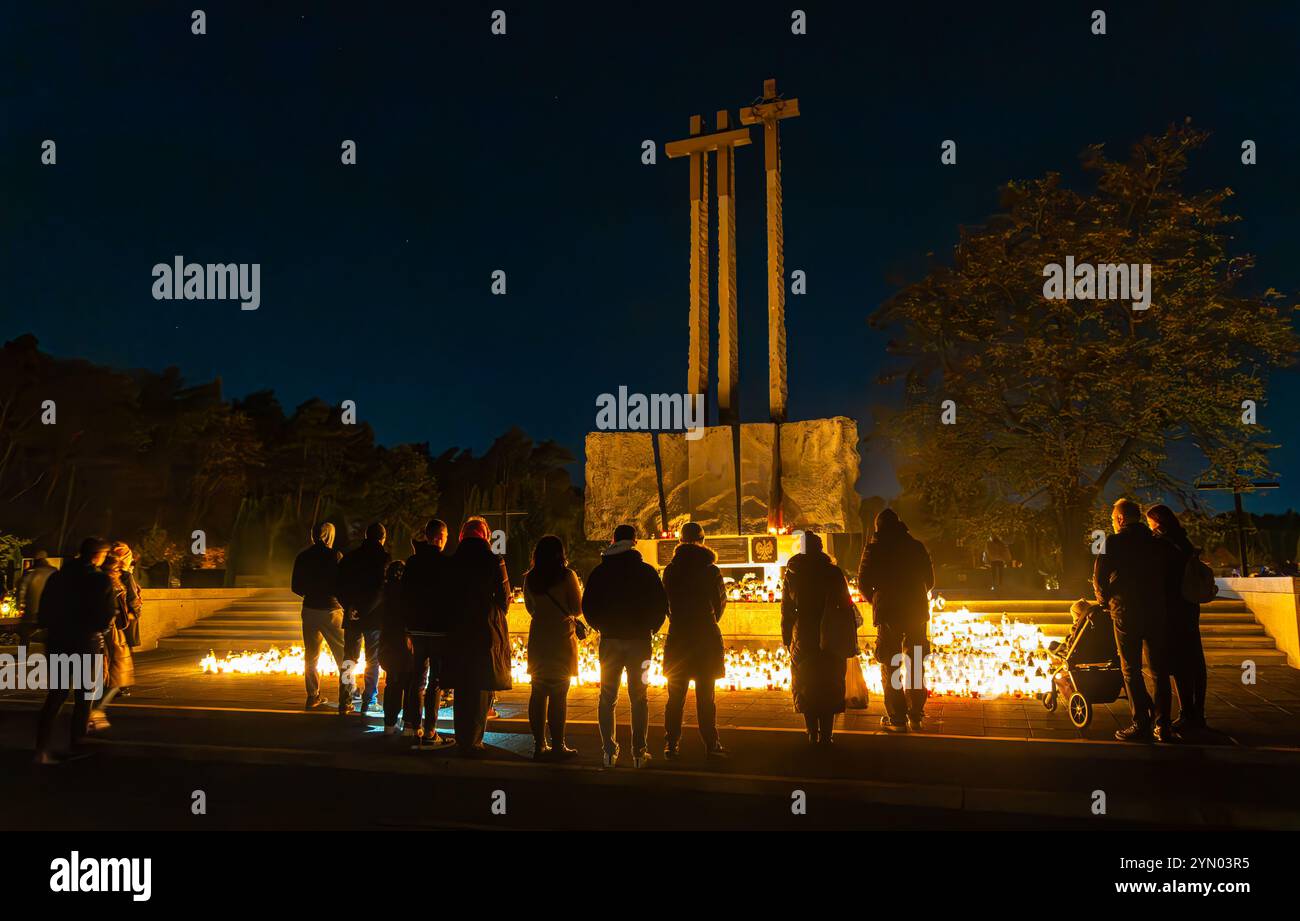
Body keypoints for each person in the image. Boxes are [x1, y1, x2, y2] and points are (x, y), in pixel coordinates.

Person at [582, 524, 668, 768]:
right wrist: (651, 627)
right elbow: (660, 603)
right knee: (639, 698)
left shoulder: (600, 572)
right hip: (640, 642)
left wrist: (600, 627)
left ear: (613, 540)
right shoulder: (646, 571)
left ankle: (608, 752)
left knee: (607, 697)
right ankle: (639, 753)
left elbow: (588, 605)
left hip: (610, 642)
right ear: (634, 542)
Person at [1094, 498, 1172, 742]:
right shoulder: (1156, 542)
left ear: (1119, 519)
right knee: (1159, 670)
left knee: (1131, 669)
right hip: (1156, 611)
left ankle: (1140, 722)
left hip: (1126, 611)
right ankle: (1163, 725)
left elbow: (1099, 577)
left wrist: (1104, 602)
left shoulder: (1114, 541)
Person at [33, 537, 117, 764]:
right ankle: (77, 742)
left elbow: (45, 608)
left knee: (57, 694)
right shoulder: (100, 580)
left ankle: (41, 748)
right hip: (85, 642)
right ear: (97, 555)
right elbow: (107, 612)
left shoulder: (58, 577)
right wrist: (101, 630)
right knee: (84, 695)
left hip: (58, 641)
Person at [858, 508, 934, 732]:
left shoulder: (874, 549)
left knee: (891, 662)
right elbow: (929, 580)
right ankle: (916, 714)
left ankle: (898, 717)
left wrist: (877, 599)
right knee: (916, 661)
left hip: (889, 612)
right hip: (916, 611)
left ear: (878, 528)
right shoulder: (916, 546)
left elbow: (863, 583)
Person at [661, 521, 727, 760]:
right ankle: (711, 743)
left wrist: (678, 619)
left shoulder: (671, 570)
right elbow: (720, 603)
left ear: (680, 540)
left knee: (675, 697)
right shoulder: (710, 570)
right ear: (702, 540)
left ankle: (671, 743)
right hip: (704, 637)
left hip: (679, 637)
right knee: (705, 697)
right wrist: (708, 621)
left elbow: (665, 604)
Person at [448, 516, 512, 756]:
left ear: (463, 535)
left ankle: (461, 737)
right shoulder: (494, 560)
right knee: (482, 683)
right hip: (485, 627)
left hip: (458, 627)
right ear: (485, 535)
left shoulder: (453, 561)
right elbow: (504, 597)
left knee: (462, 684)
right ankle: (475, 740)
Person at [782, 533, 853, 746]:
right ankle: (827, 734)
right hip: (830, 634)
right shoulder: (833, 573)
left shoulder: (793, 574)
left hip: (803, 633)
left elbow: (786, 609)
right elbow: (846, 605)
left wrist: (787, 637)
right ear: (821, 548)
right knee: (829, 681)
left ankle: (811, 732)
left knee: (806, 681)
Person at [1147, 504, 1208, 733]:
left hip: (1172, 609)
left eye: (1151, 523)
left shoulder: (1162, 545)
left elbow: (1161, 578)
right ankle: (1196, 714)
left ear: (1158, 523)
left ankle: (1185, 713)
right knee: (1194, 661)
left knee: (1176, 663)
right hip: (1190, 608)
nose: (1150, 527)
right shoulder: (1184, 542)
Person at [522, 535, 584, 761]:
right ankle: (558, 745)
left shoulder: (530, 578)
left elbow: (530, 608)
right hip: (561, 639)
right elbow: (577, 609)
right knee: (559, 694)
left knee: (538, 692)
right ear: (560, 553)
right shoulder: (567, 576)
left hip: (538, 637)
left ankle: (539, 746)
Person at [402, 518, 456, 749]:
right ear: (439, 538)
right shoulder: (447, 564)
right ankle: (431, 731)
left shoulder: (412, 563)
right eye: (444, 538)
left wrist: (407, 628)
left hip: (416, 628)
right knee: (435, 681)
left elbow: (404, 595)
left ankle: (415, 728)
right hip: (438, 629)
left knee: (418, 679)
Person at [291, 522, 346, 712]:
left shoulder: (303, 556)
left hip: (310, 610)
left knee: (311, 655)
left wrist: (310, 592)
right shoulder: (335, 556)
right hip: (331, 611)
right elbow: (343, 584)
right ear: (329, 536)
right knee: (344, 656)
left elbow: (295, 587)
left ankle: (312, 696)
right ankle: (346, 697)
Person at [338, 522, 390, 715]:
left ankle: (345, 699)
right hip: (374, 617)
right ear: (382, 538)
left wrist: (350, 606)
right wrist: (365, 609)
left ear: (366, 537)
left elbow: (339, 585)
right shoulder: (384, 559)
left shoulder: (350, 558)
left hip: (352, 616)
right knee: (372, 660)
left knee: (349, 659)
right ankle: (370, 700)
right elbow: (380, 590)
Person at [88, 548, 140, 729]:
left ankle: (93, 712)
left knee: (110, 675)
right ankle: (94, 712)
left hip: (108, 631)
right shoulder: (110, 581)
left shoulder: (101, 579)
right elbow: (116, 607)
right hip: (111, 632)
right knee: (116, 674)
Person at [375, 560, 411, 735]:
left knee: (392, 683)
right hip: (405, 643)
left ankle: (389, 724)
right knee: (409, 684)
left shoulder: (384, 592)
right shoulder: (407, 593)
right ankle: (408, 725)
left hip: (388, 644)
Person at [16, 550, 55, 644]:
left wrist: (19, 604)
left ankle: (22, 654)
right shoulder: (53, 571)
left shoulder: (30, 572)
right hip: (48, 609)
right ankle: (53, 656)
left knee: (25, 633)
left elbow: (22, 589)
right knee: (50, 634)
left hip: (31, 609)